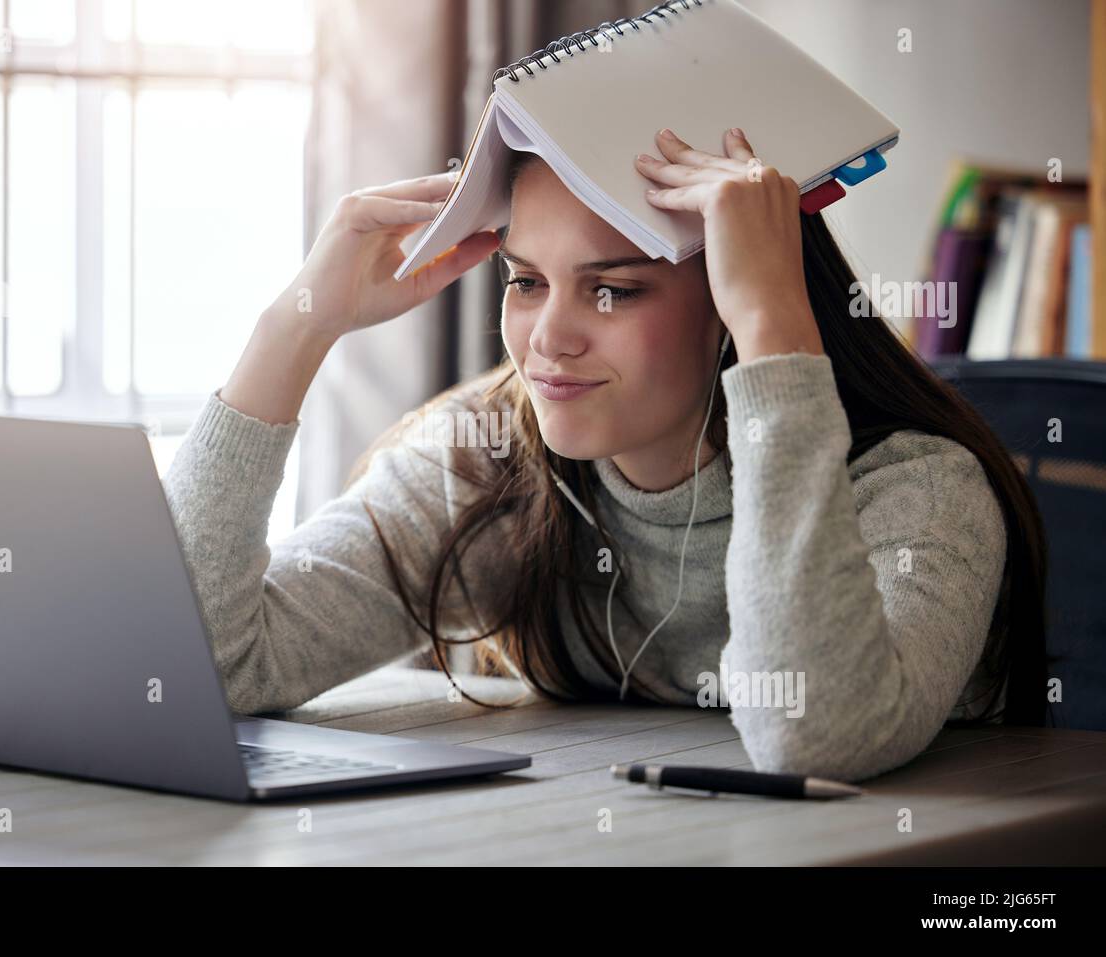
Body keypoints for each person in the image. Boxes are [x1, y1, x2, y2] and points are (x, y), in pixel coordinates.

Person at [162, 126, 1048, 782]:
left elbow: (814, 737)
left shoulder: (917, 491)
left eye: (614, 290)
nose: (547, 340)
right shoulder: (490, 462)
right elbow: (204, 668)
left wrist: (779, 330)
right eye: (526, 281)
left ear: (733, 304)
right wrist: (295, 327)